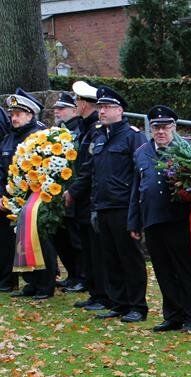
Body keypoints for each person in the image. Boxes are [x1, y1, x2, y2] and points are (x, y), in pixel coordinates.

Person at [127, 105, 191, 333]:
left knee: (183, 268)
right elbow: (136, 189)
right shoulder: (141, 152)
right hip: (152, 218)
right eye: (156, 127)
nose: (160, 131)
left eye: (165, 127)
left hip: (179, 218)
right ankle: (172, 314)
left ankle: (190, 315)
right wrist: (133, 221)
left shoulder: (188, 148)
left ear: (174, 127)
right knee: (162, 269)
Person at [83, 86, 149, 323]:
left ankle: (137, 305)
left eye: (107, 107)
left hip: (124, 206)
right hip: (103, 206)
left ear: (119, 110)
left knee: (130, 258)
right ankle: (118, 302)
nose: (101, 111)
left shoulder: (133, 136)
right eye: (99, 107)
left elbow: (141, 173)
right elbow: (94, 174)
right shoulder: (100, 136)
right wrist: (94, 206)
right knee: (110, 258)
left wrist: (137, 211)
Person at [66, 80, 111, 313]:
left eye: (77, 101)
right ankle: (95, 292)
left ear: (84, 104)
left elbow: (89, 167)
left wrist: (72, 191)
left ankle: (102, 294)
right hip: (84, 199)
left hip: (90, 197)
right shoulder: (86, 129)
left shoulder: (95, 130)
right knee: (88, 248)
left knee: (96, 250)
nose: (75, 104)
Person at [1, 90, 48, 296]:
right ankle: (30, 281)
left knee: (39, 240)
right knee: (20, 241)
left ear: (30, 114)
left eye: (18, 114)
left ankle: (45, 283)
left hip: (35, 198)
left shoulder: (38, 136)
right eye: (12, 114)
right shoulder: (9, 138)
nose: (14, 118)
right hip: (11, 198)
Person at [51, 91, 86, 293]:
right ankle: (72, 274)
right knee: (62, 238)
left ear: (74, 110)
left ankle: (81, 276)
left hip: (74, 192)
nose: (57, 111)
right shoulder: (56, 131)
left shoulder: (79, 130)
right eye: (56, 108)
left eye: (62, 108)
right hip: (58, 193)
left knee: (76, 238)